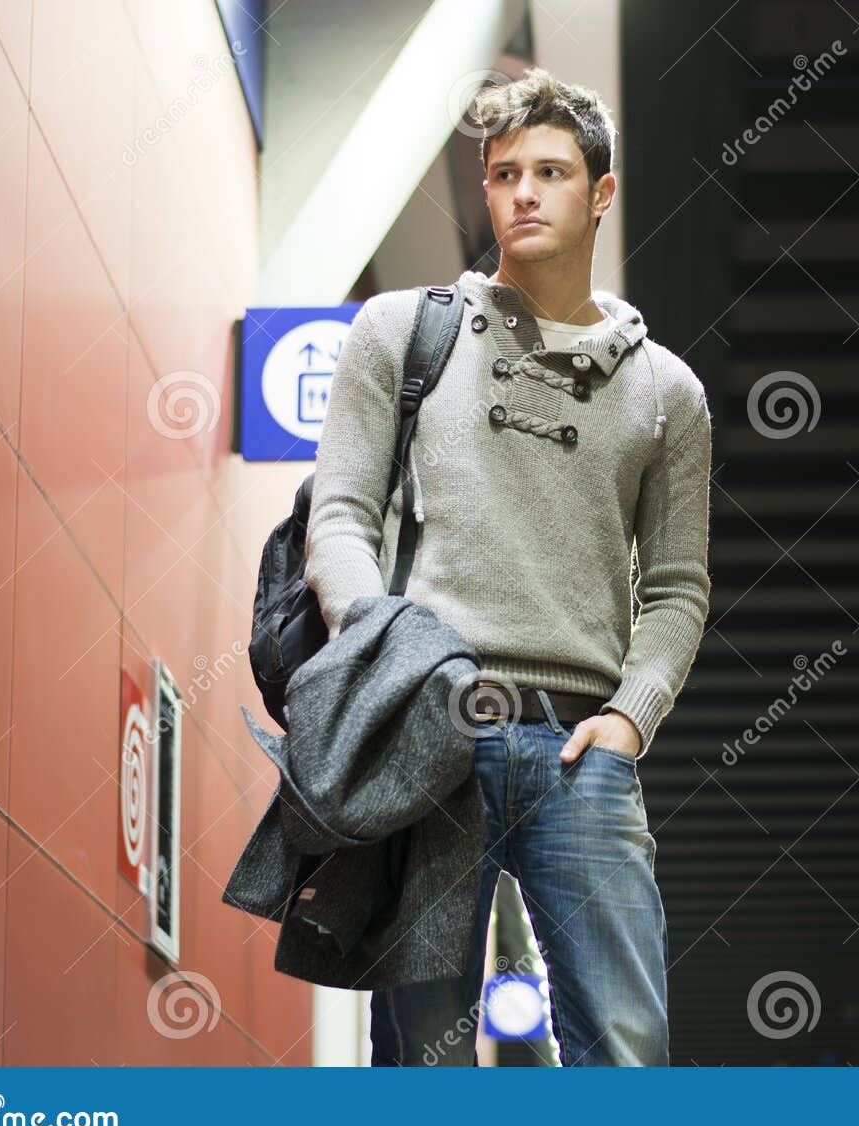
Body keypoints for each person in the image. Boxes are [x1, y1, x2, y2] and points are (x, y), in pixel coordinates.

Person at [303, 67, 713, 1066]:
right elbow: (341, 518)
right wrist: (384, 660)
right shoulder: (401, 330)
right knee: (422, 1055)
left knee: (628, 1048)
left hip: (582, 755)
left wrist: (630, 716)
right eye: (502, 173)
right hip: (427, 733)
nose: (523, 191)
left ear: (600, 192)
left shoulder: (667, 393)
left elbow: (675, 587)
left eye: (551, 171)